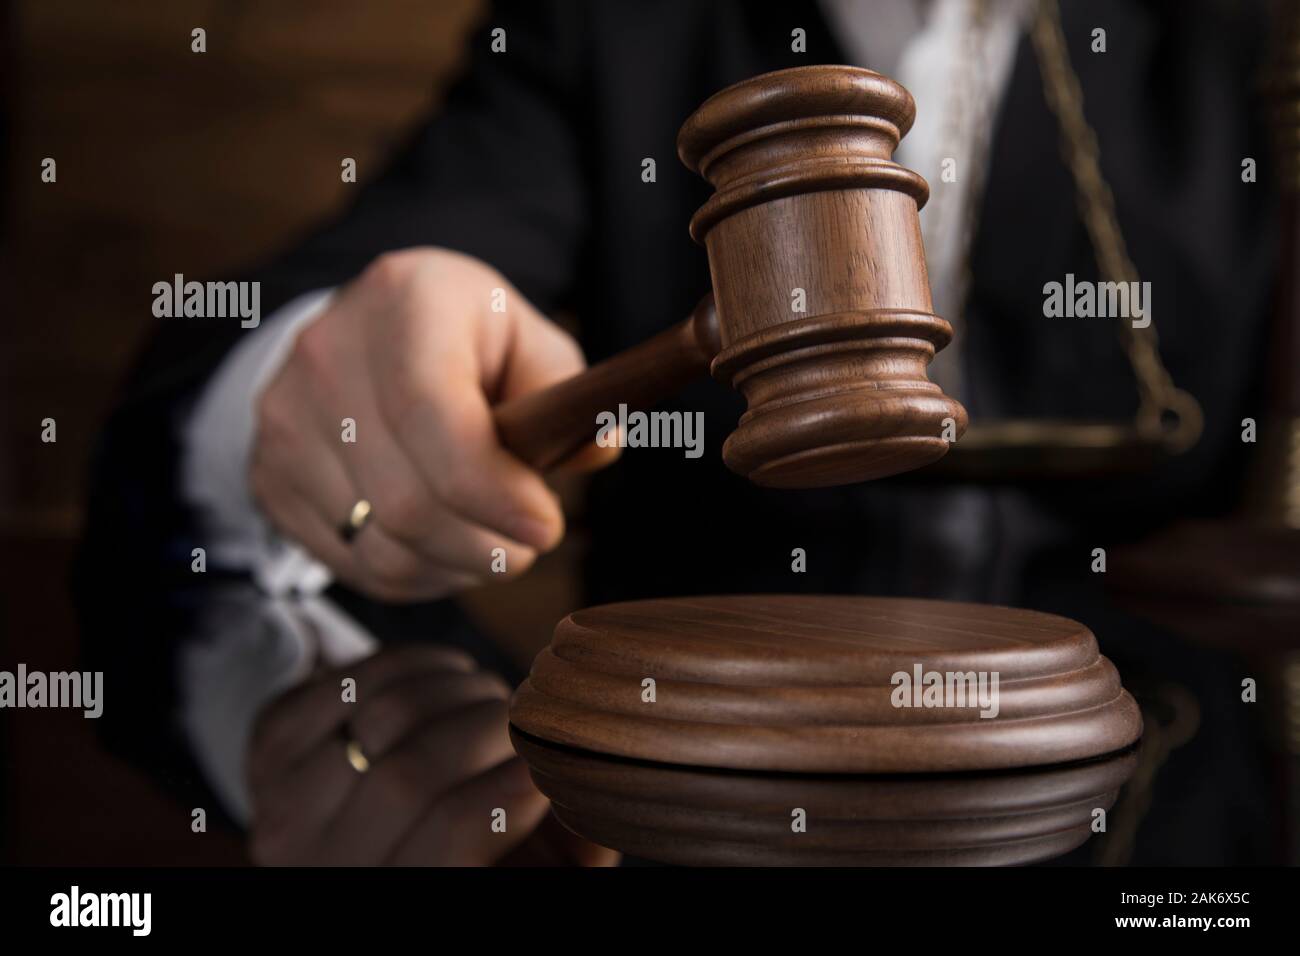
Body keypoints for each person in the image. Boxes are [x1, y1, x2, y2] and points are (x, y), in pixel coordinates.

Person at [76, 0, 1279, 865]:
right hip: (667, 786)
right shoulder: (606, 24)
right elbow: (319, 313)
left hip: (1151, 787)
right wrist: (314, 377)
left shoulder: (1247, 45)